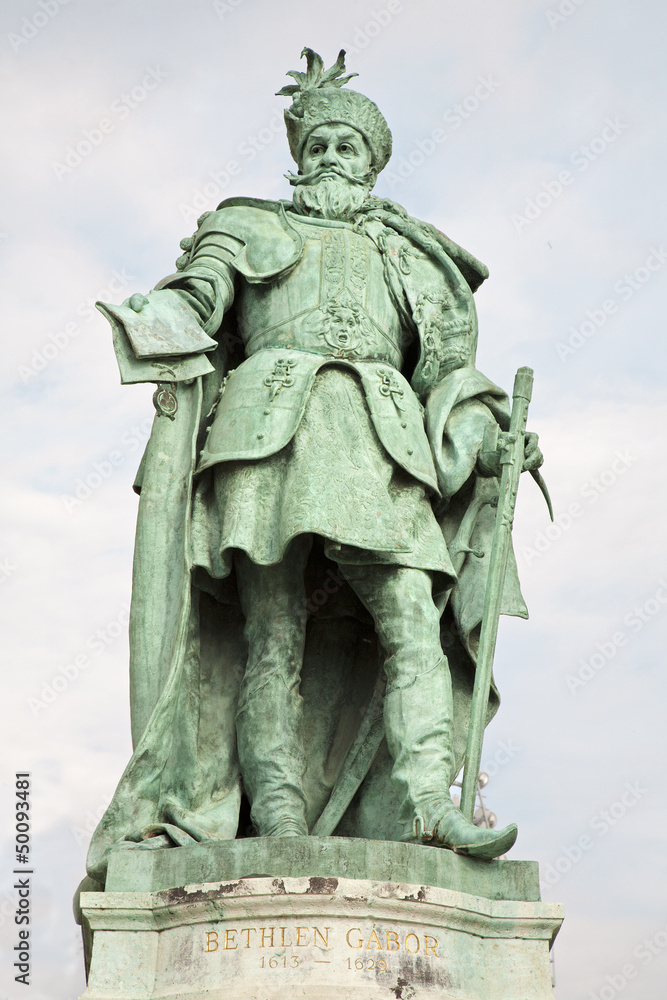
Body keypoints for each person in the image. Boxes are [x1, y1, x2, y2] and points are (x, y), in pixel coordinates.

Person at [87, 48, 542, 884]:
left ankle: (424, 804)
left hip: (385, 442)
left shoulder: (414, 258)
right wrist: (159, 316)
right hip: (266, 432)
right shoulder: (248, 222)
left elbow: (444, 366)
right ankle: (280, 817)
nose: (330, 158)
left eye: (347, 147)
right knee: (271, 633)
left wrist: (485, 431)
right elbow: (198, 294)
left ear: (372, 162)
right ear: (299, 158)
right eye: (318, 145)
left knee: (410, 613)